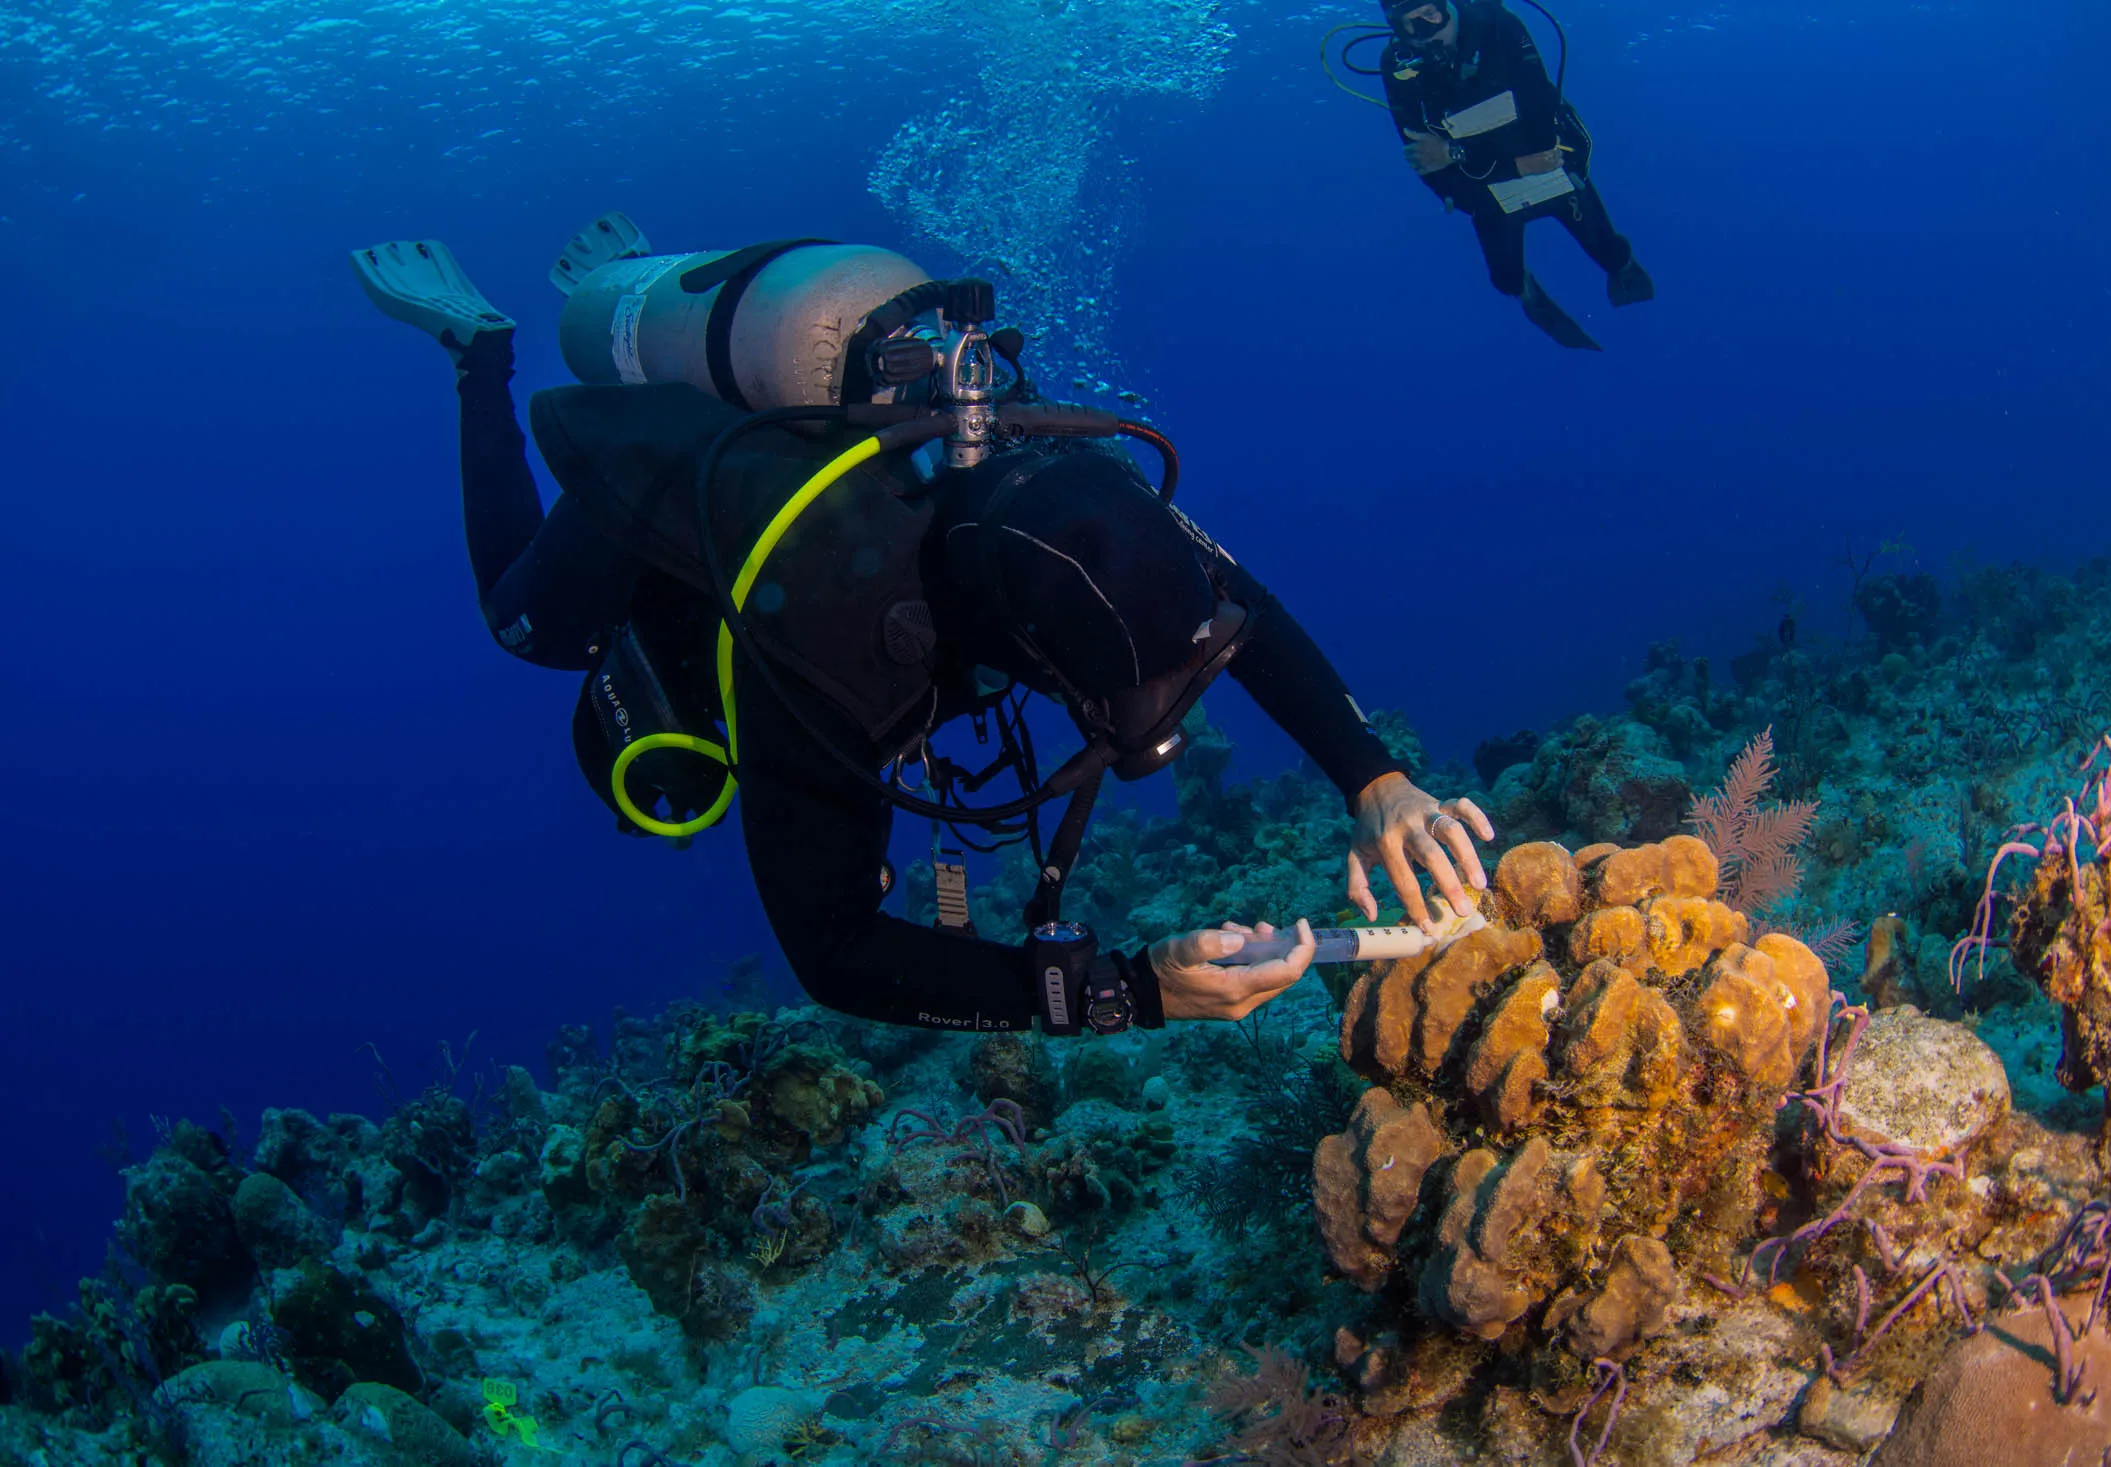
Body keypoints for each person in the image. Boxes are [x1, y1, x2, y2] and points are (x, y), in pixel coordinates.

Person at [350, 229, 1496, 1038]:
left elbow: (1249, 612)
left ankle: (669, 316)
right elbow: (832, 950)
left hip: (842, 438)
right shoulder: (834, 649)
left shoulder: (1075, 481)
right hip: (719, 522)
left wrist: (1374, 780)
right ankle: (482, 352)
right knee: (525, 623)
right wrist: (1128, 992)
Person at [1379, 0, 1653, 349]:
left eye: (1432, 15)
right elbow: (1420, 153)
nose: (1428, 33)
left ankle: (1624, 271)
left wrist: (1456, 153)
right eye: (1411, 25)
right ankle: (1528, 294)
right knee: (1506, 280)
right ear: (1394, 26)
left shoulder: (1496, 24)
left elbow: (1540, 112)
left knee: (1609, 251)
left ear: (1448, 5)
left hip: (1553, 165)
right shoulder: (1398, 64)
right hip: (1487, 188)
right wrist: (1465, 194)